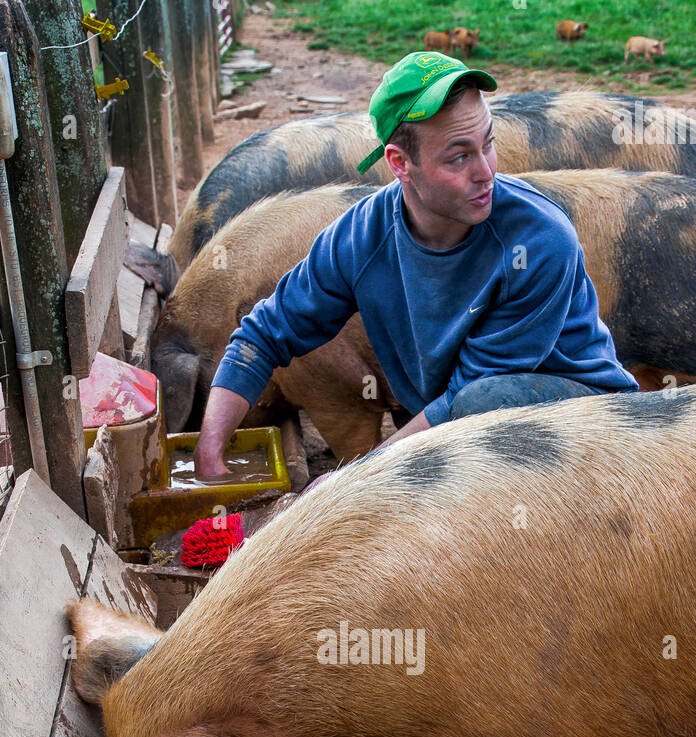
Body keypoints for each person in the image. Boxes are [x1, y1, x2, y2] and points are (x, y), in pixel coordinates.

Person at [193, 50, 638, 481]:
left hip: (581, 420)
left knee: (479, 400)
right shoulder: (361, 235)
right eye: (460, 156)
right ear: (400, 163)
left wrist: (355, 479)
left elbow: (470, 401)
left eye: (488, 144)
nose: (486, 172)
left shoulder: (539, 239)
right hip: (471, 420)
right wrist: (208, 448)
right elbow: (264, 334)